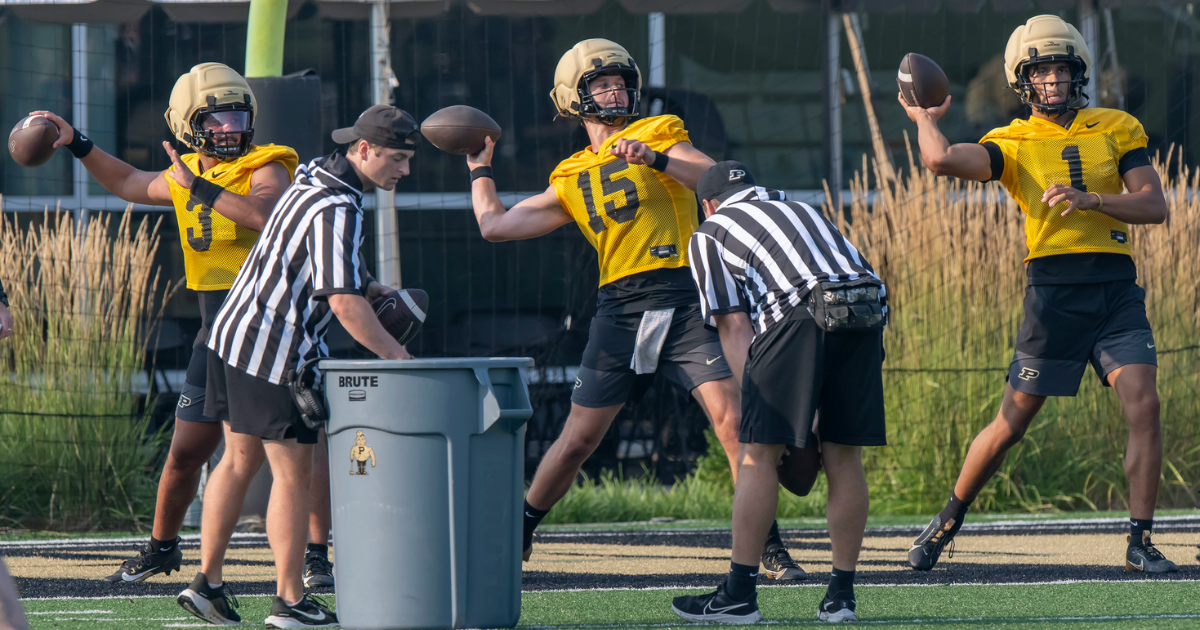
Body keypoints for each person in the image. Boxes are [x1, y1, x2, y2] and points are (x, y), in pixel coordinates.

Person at [465, 38, 803, 579]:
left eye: (621, 81)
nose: (615, 90)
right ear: (573, 99)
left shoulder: (658, 130)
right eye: (601, 84)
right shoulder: (570, 172)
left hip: (686, 299)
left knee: (734, 422)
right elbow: (495, 225)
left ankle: (766, 545)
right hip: (620, 310)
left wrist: (659, 159)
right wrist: (479, 168)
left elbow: (724, 182)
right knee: (577, 441)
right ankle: (522, 528)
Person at [31, 62, 338, 588]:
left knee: (297, 451)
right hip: (215, 328)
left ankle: (314, 556)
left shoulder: (268, 163)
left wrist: (197, 185)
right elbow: (128, 182)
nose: (229, 128)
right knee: (186, 451)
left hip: (271, 327)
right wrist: (78, 142)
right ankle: (163, 546)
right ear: (187, 125)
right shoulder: (186, 171)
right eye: (215, 118)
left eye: (236, 116)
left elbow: (265, 214)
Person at [899, 15, 1174, 573]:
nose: (1053, 80)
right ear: (1023, 81)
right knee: (1011, 424)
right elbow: (940, 160)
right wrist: (924, 119)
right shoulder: (1012, 141)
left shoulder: (1116, 126)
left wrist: (1094, 200)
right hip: (1053, 295)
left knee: (1144, 405)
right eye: (1042, 71)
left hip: (1116, 290)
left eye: (1063, 69)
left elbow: (1154, 205)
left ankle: (1140, 542)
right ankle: (946, 521)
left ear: (1080, 74)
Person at [176, 104, 417, 628]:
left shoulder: (312, 174)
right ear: (364, 150)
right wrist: (399, 359)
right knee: (293, 474)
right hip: (274, 348)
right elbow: (343, 303)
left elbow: (323, 261)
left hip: (228, 337)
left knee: (237, 462)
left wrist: (370, 284)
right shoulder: (341, 205)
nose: (404, 170)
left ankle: (206, 585)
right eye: (396, 159)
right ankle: (289, 601)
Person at [670, 163, 887, 624]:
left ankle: (738, 595)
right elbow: (859, 273)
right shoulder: (801, 209)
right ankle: (841, 597)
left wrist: (762, 403)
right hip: (865, 313)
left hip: (798, 315)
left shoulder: (709, 231)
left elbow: (733, 325)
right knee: (843, 455)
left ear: (707, 204)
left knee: (757, 453)